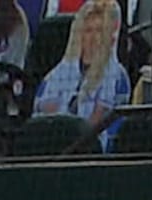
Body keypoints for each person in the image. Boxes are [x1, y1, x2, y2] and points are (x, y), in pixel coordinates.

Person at [32, 0, 130, 147]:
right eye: (88, 30)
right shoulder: (56, 76)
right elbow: (42, 116)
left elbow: (101, 119)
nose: (93, 37)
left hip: (91, 152)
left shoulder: (117, 76)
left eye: (99, 31)